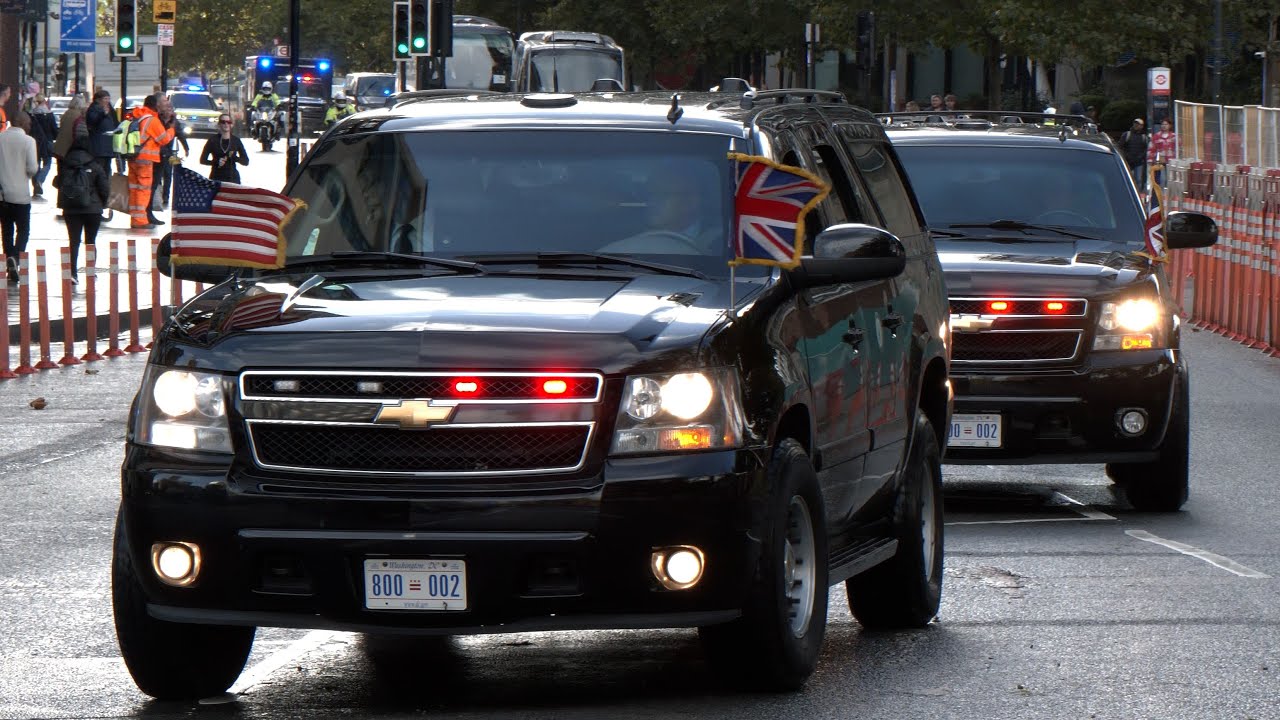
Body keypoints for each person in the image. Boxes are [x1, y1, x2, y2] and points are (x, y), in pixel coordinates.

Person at [54, 118, 110, 284]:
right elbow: (104, 188)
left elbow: (57, 183)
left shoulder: (66, 164)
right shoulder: (95, 165)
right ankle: (91, 271)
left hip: (71, 209)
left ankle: (72, 273)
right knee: (90, 241)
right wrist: (102, 203)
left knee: (74, 241)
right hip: (93, 209)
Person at [127, 93, 175, 229]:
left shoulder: (136, 115)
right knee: (143, 190)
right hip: (145, 160)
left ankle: (135, 218)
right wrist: (171, 129)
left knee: (134, 189)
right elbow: (164, 139)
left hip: (133, 157)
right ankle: (140, 221)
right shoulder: (152, 120)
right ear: (156, 105)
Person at [0, 112, 38, 282]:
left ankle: (9, 260)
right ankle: (15, 257)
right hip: (21, 194)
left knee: (6, 230)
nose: (30, 126)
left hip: (2, 194)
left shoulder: (1, 138)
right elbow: (32, 168)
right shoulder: (28, 141)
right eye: (29, 123)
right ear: (23, 124)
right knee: (23, 230)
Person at [153, 102, 190, 211]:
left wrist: (186, 148)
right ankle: (157, 195)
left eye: (170, 109)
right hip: (157, 152)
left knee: (168, 174)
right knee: (157, 175)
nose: (169, 111)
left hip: (169, 153)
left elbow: (180, 135)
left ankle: (166, 197)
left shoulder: (174, 122)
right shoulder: (157, 120)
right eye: (167, 109)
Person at [199, 113, 249, 183]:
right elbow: (202, 160)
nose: (226, 124)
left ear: (231, 124)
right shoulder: (212, 140)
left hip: (233, 178)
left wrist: (235, 158)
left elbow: (246, 161)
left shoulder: (236, 140)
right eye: (223, 122)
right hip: (216, 178)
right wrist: (216, 162)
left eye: (228, 122)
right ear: (219, 124)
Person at [82, 90, 118, 182]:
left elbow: (115, 122)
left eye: (108, 99)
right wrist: (103, 114)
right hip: (99, 145)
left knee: (107, 168)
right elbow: (92, 121)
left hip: (108, 144)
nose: (107, 101)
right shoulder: (94, 109)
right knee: (99, 168)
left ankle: (105, 185)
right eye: (105, 99)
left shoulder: (110, 109)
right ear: (98, 100)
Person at [27, 95, 57, 199]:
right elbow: (54, 130)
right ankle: (40, 180)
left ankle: (35, 188)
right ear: (44, 102)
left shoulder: (32, 115)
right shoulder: (49, 115)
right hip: (48, 141)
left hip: (35, 141)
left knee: (36, 164)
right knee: (47, 163)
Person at [1119, 118, 1148, 191]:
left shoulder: (1144, 137)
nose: (1136, 125)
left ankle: (1137, 193)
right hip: (1127, 161)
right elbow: (1120, 147)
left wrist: (1140, 157)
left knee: (1138, 180)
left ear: (1142, 126)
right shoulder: (1127, 135)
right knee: (1128, 178)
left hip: (1139, 162)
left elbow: (1146, 149)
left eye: (1138, 124)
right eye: (1135, 123)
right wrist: (1126, 156)